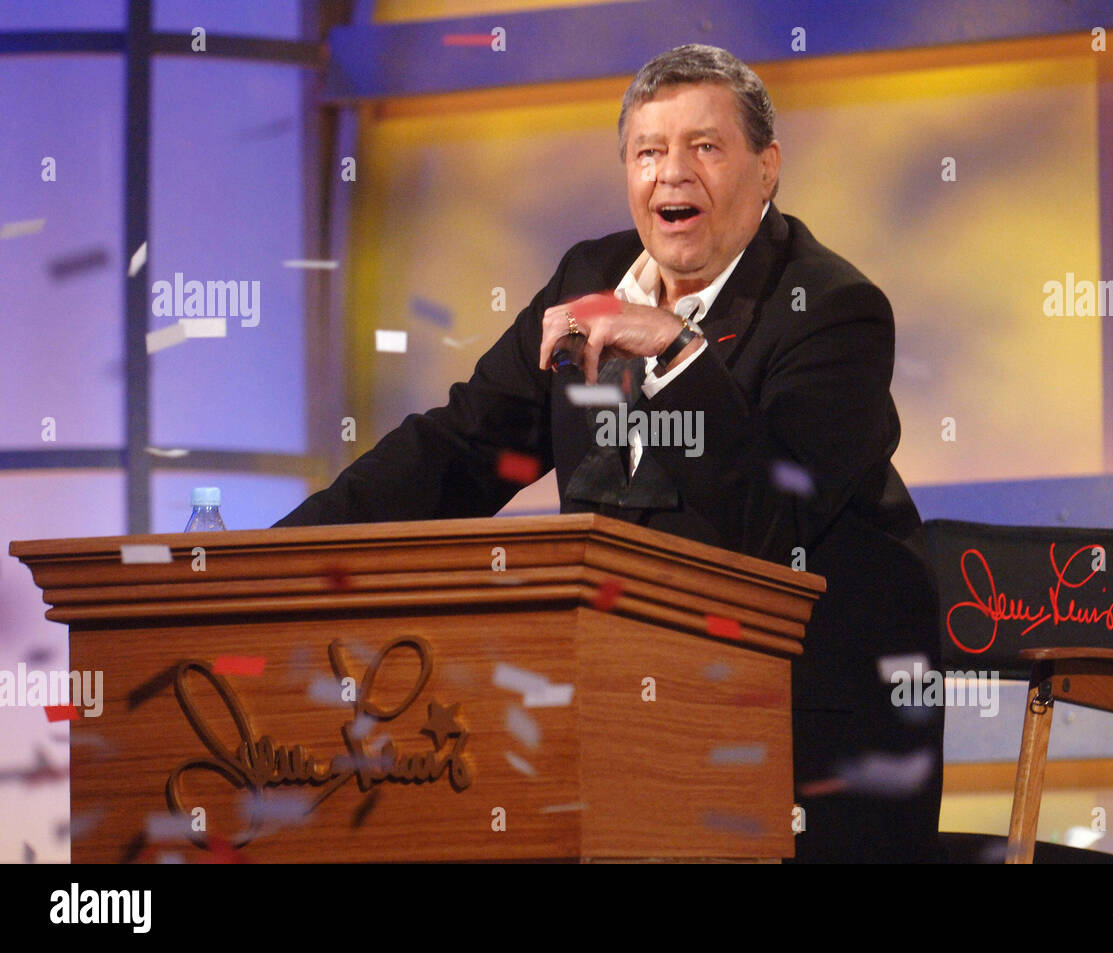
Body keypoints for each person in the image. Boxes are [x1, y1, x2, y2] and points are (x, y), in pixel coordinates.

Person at [274, 43, 944, 863]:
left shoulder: (833, 311)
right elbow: (460, 449)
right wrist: (280, 556)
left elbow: (779, 527)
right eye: (649, 151)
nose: (673, 173)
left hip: (805, 736)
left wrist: (677, 351)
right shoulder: (588, 279)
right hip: (624, 711)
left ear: (767, 171)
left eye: (705, 147)